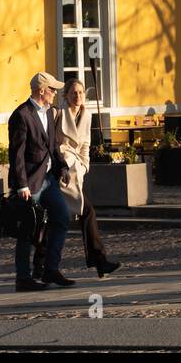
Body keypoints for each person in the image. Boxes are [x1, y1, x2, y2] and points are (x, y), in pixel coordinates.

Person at [34, 78, 121, 279]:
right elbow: (51, 144)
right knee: (73, 214)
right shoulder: (57, 113)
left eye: (81, 92)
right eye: (73, 92)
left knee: (68, 216)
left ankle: (96, 261)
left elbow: (85, 145)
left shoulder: (87, 115)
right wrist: (61, 166)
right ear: (66, 96)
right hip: (60, 173)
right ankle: (44, 265)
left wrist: (84, 166)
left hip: (76, 173)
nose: (78, 96)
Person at [9, 71, 72, 291]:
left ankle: (50, 269)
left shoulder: (50, 113)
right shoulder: (22, 115)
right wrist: (21, 184)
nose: (55, 93)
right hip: (30, 182)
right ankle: (23, 278)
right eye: (52, 89)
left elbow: (53, 146)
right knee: (27, 229)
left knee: (62, 218)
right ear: (41, 90)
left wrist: (62, 166)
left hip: (48, 180)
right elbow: (16, 153)